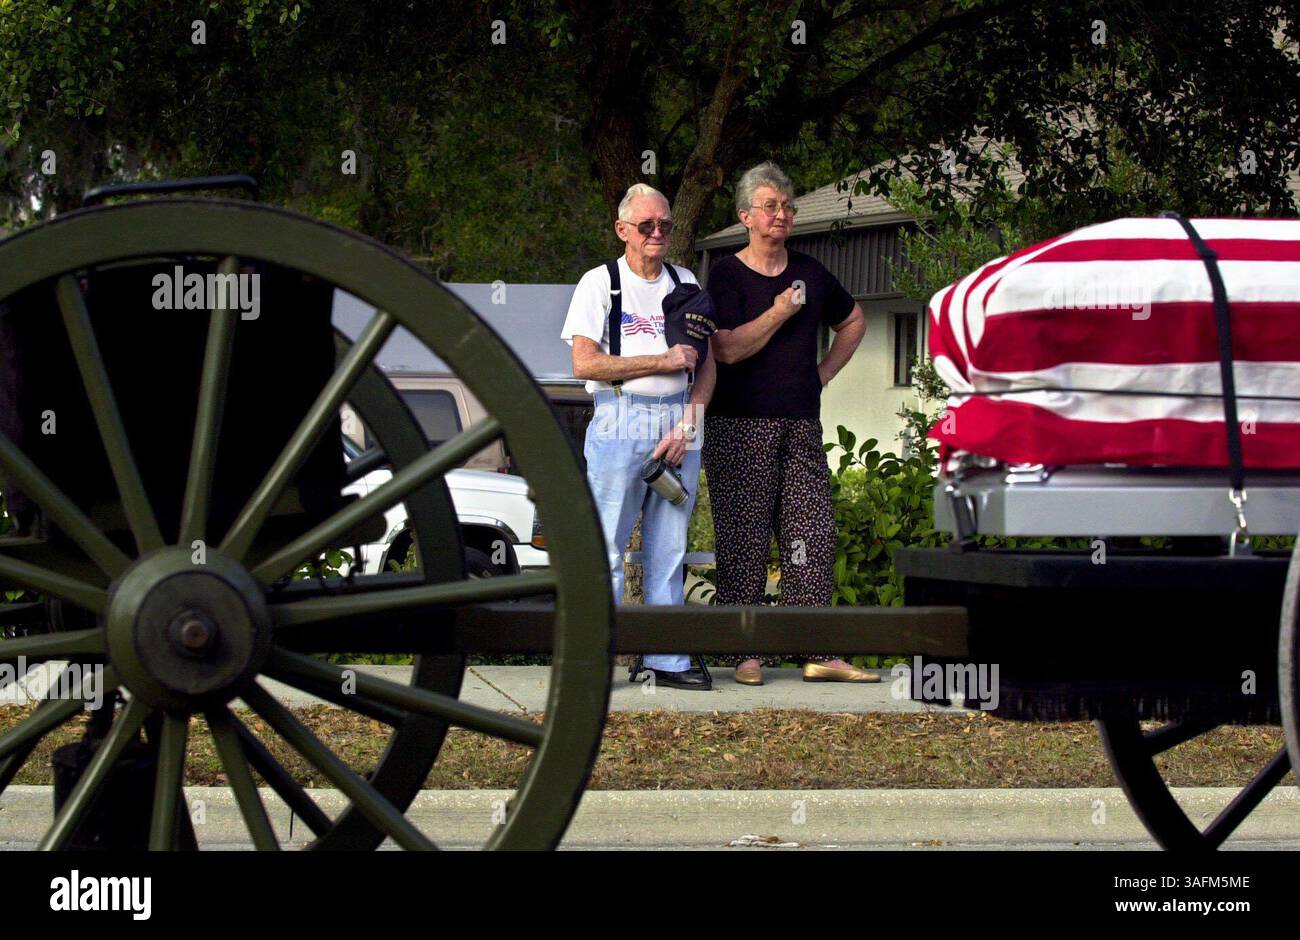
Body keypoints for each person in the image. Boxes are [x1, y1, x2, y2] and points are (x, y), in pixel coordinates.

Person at [703, 161, 873, 685]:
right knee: (745, 538)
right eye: (771, 206)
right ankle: (745, 653)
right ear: (746, 215)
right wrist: (779, 312)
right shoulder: (727, 274)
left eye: (788, 206)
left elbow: (854, 320)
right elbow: (726, 349)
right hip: (739, 425)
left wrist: (819, 376)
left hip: (800, 425)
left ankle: (818, 649)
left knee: (812, 535)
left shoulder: (812, 271)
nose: (782, 214)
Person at [561, 183, 716, 690]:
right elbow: (584, 362)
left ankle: (665, 659)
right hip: (620, 415)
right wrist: (662, 359)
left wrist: (689, 423)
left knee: (670, 544)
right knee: (604, 541)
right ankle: (595, 661)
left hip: (679, 421)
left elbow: (707, 365)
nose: (657, 234)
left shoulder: (685, 280)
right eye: (646, 225)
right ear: (622, 230)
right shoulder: (599, 283)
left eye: (665, 225)